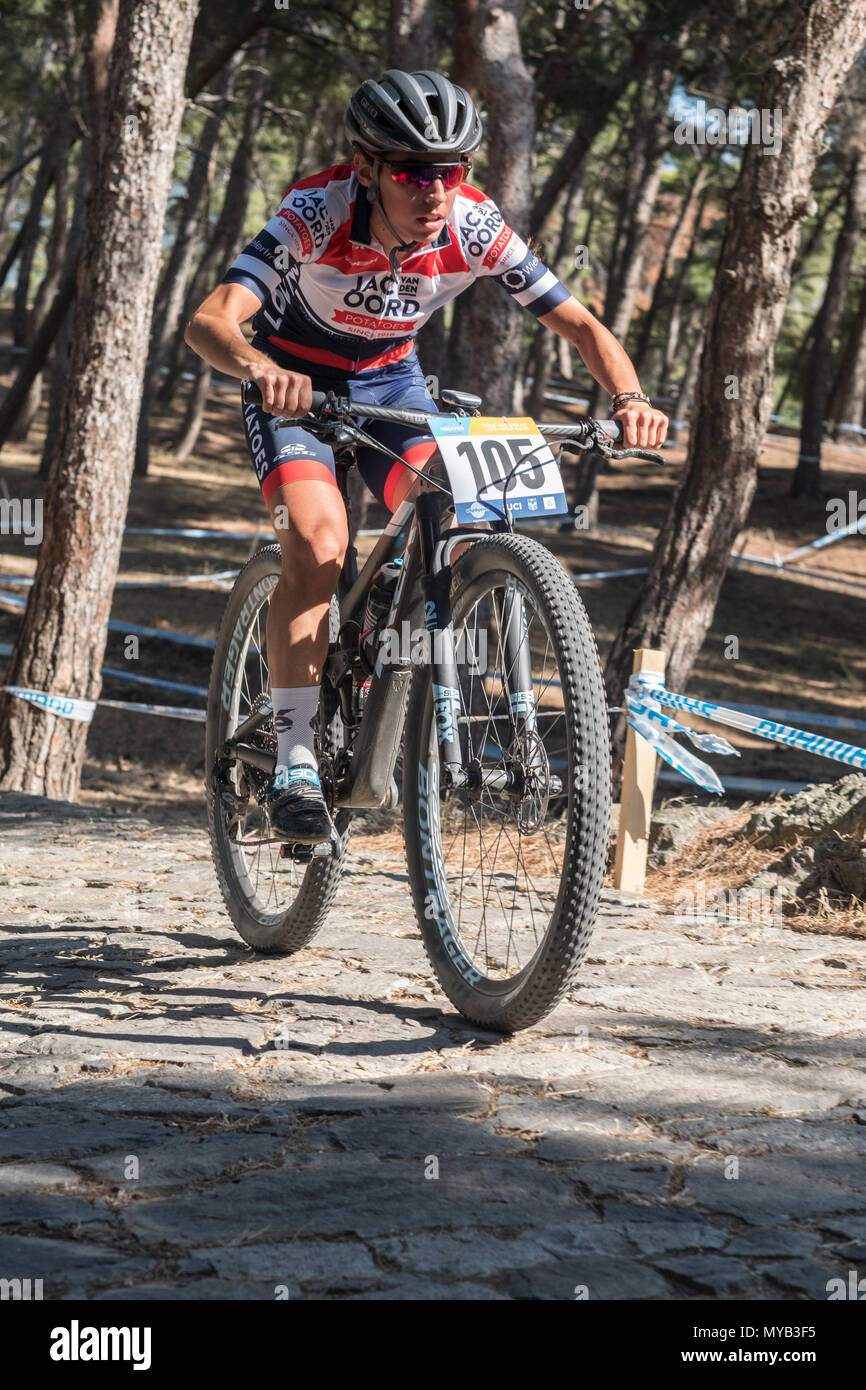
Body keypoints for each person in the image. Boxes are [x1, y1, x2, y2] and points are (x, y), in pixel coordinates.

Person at [185, 68, 668, 846]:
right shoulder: (316, 210)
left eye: (451, 171)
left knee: (463, 505)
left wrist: (631, 399)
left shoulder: (474, 226)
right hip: (294, 385)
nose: (435, 190)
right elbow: (210, 320)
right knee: (316, 545)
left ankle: (388, 639)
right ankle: (297, 758)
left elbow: (579, 324)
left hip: (390, 381)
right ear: (366, 166)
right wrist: (260, 369)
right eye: (413, 172)